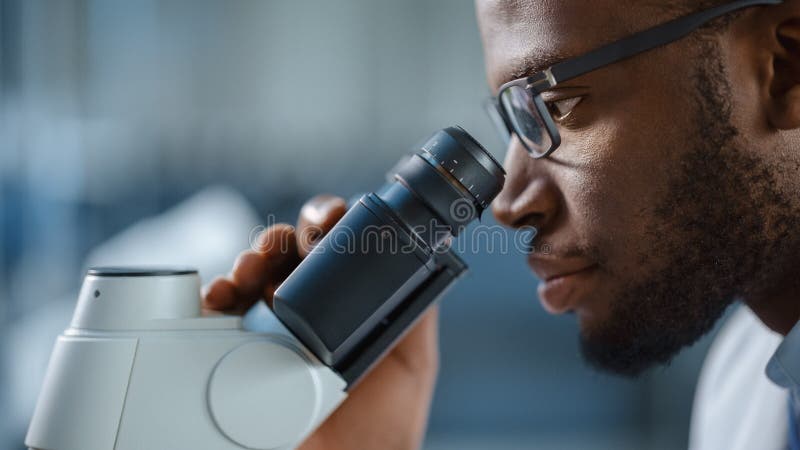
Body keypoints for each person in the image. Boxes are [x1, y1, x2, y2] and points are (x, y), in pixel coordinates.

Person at [203, 0, 800, 448]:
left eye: (561, 105)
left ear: (784, 67)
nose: (509, 201)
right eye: (513, 122)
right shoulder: (744, 389)